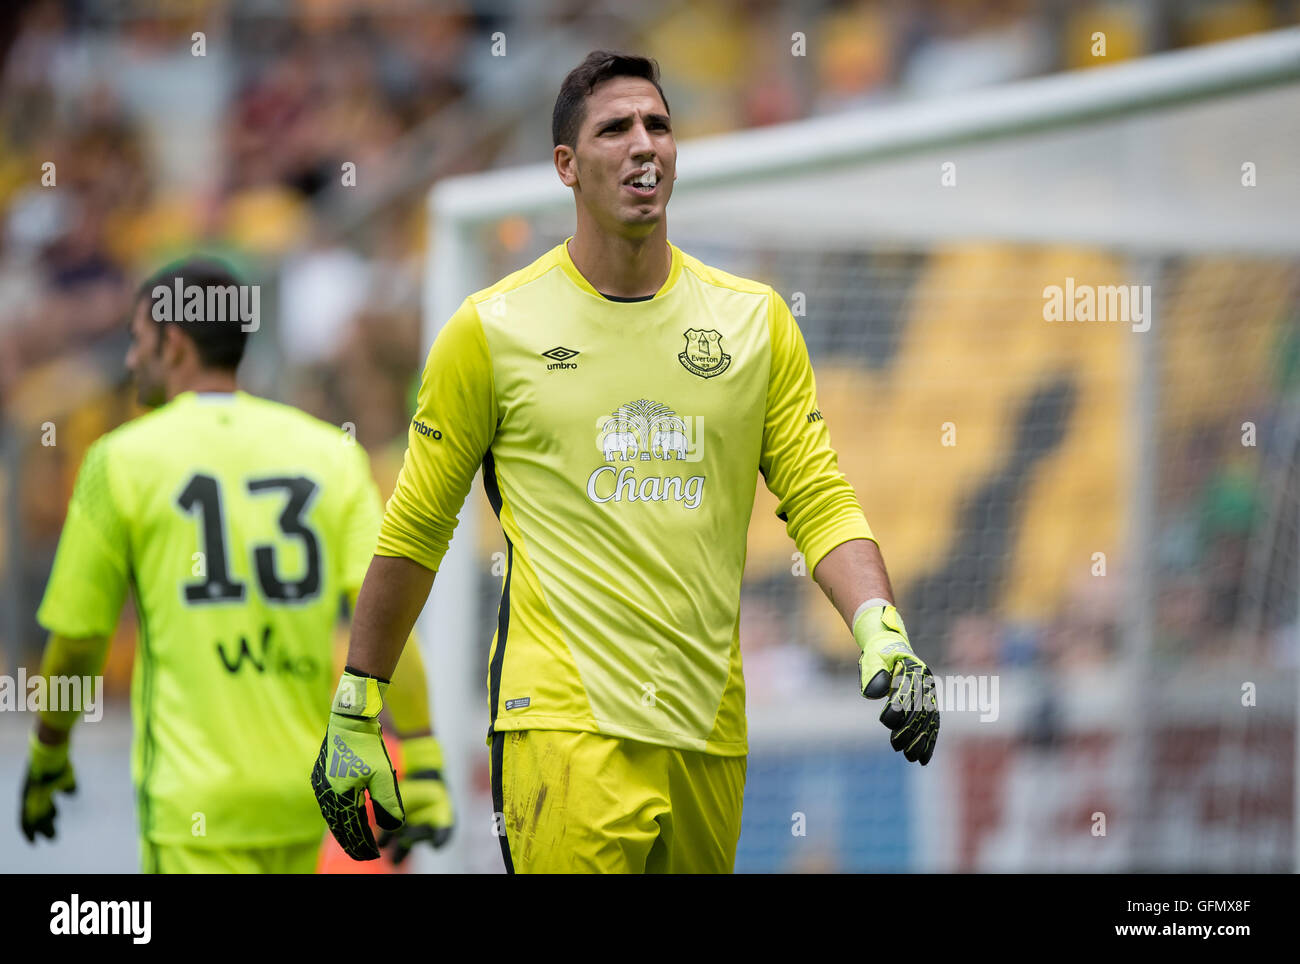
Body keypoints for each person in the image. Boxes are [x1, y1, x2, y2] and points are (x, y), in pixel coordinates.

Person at [312, 50, 938, 874]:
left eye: (659, 125)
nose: (645, 143)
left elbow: (819, 498)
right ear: (566, 167)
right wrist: (359, 700)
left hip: (707, 728)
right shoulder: (491, 330)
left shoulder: (754, 324)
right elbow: (419, 528)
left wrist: (881, 632)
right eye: (616, 128)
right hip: (563, 727)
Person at [21, 257, 453, 873]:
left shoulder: (120, 460)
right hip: (302, 802)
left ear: (173, 345)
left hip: (197, 806)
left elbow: (79, 641)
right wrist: (425, 755)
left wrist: (50, 751)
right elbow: (383, 618)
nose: (127, 361)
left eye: (137, 341)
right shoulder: (331, 453)